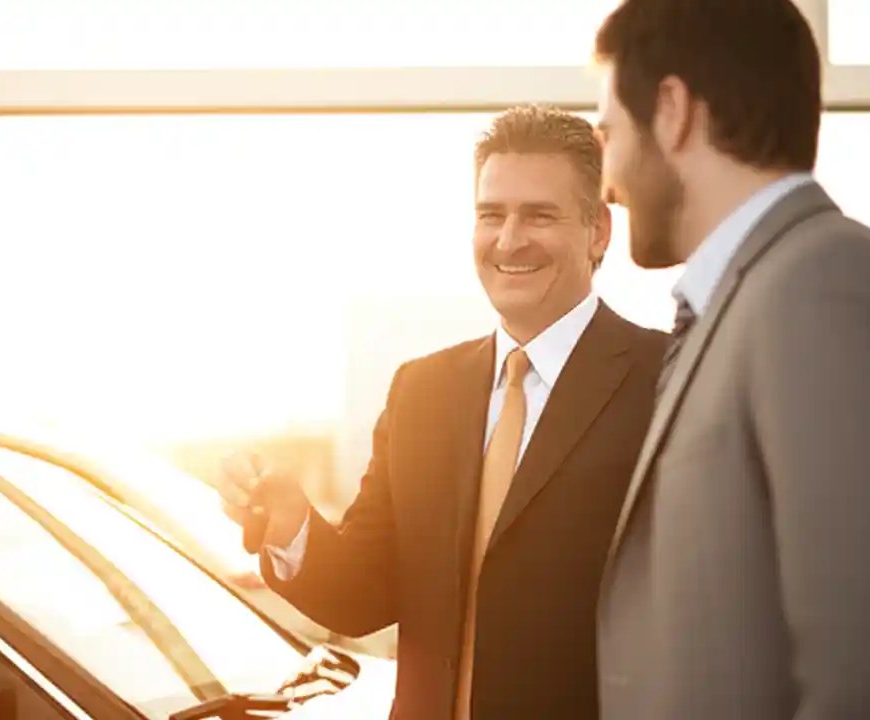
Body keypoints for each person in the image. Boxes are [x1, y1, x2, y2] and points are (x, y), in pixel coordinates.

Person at [219, 106, 668, 719]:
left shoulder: (666, 382)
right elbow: (363, 596)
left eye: (539, 215)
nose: (509, 240)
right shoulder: (421, 393)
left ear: (598, 232)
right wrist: (292, 523)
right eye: (491, 215)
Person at [592, 1, 870, 718]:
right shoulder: (753, 297)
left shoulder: (820, 284)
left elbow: (863, 669)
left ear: (671, 111)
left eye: (608, 133)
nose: (606, 181)